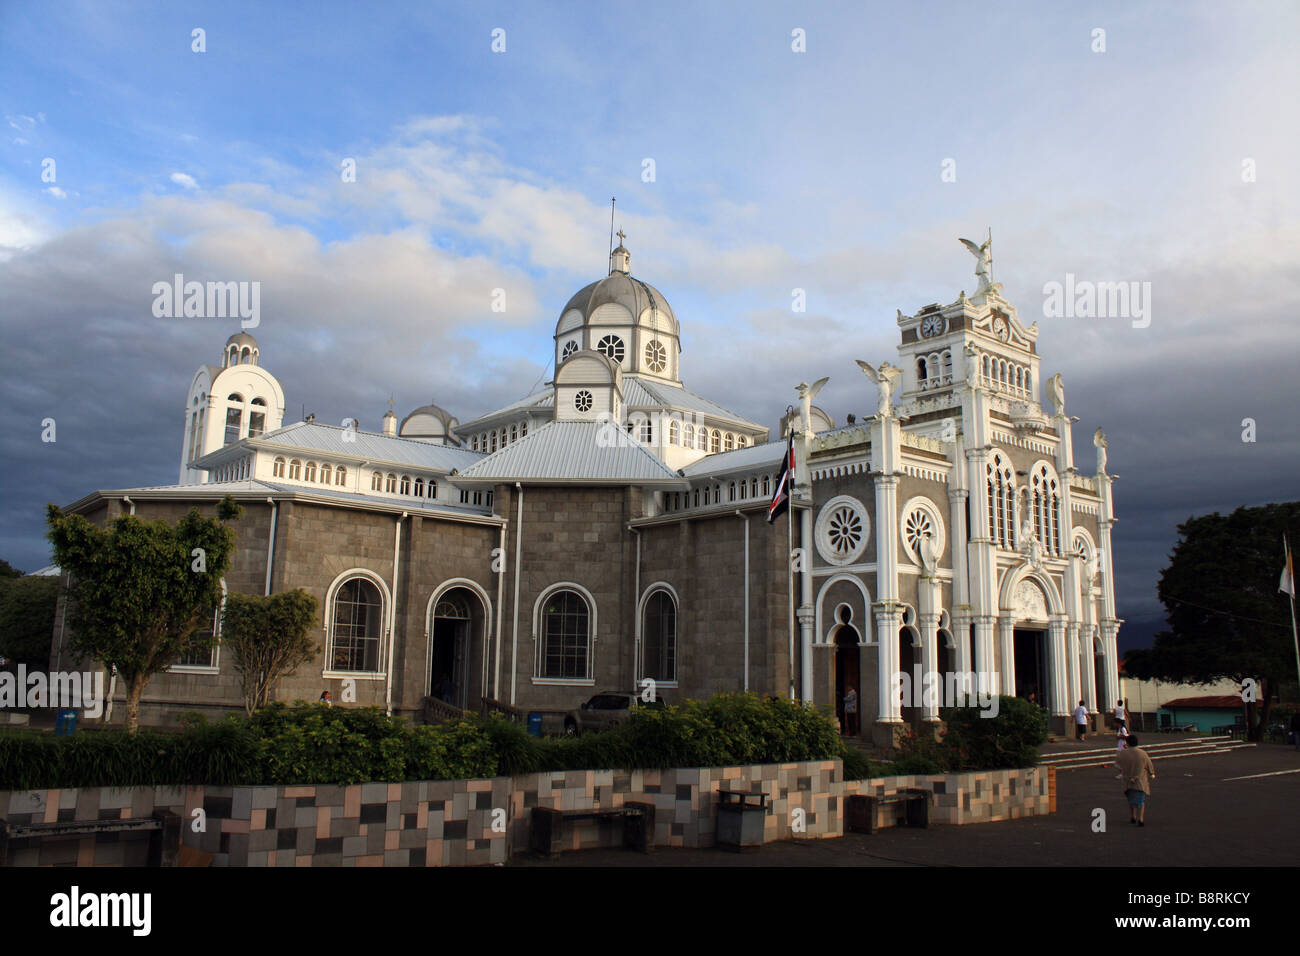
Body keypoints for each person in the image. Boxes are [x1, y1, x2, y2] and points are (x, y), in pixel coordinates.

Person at [1116, 734, 1156, 826]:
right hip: (1140, 780)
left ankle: (1133, 816)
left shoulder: (1123, 753)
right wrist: (1152, 773)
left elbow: (1118, 765)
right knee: (1140, 801)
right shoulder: (1142, 753)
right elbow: (1149, 765)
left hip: (1127, 780)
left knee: (1131, 800)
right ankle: (1141, 819)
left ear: (1127, 743)